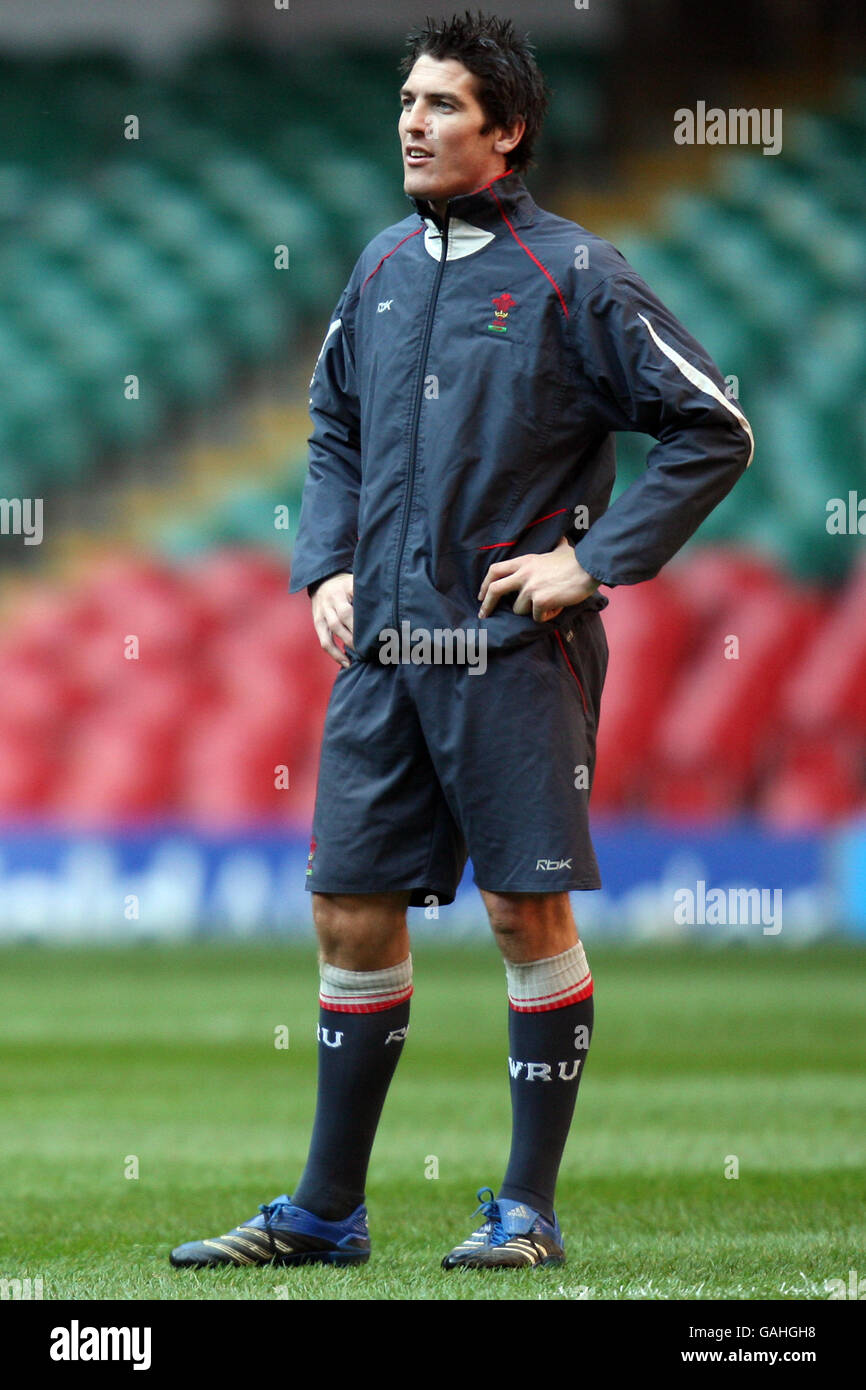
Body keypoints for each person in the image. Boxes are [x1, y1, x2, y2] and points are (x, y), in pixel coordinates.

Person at [170, 10, 753, 1273]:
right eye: (406, 103)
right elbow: (331, 427)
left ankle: (526, 1212)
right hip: (382, 653)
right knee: (345, 910)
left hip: (507, 653)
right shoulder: (380, 267)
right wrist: (323, 562)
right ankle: (327, 1214)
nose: (412, 124)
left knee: (519, 910)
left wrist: (589, 564)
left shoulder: (574, 275)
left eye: (441, 105)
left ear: (508, 131)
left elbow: (712, 425)